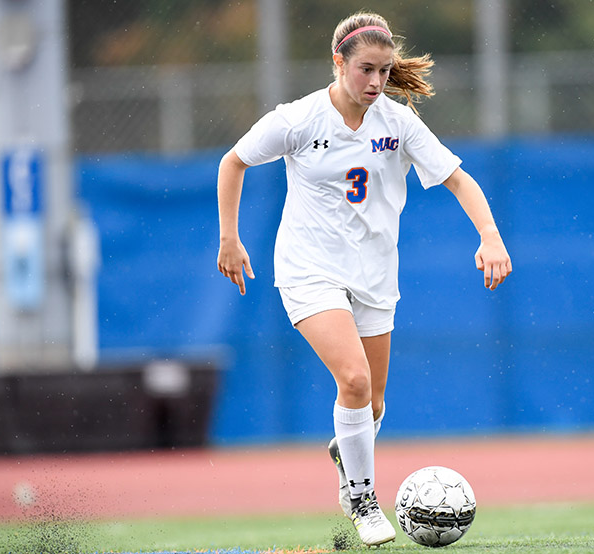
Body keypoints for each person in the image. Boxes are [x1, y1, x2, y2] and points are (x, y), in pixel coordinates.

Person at [216, 11, 512, 547]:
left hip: (374, 276)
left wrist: (490, 236)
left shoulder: (397, 123)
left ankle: (345, 452)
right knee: (352, 381)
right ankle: (362, 497)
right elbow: (232, 162)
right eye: (366, 70)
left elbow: (458, 179)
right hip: (309, 272)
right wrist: (229, 239)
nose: (376, 82)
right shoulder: (298, 119)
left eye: (384, 71)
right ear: (339, 63)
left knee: (372, 404)